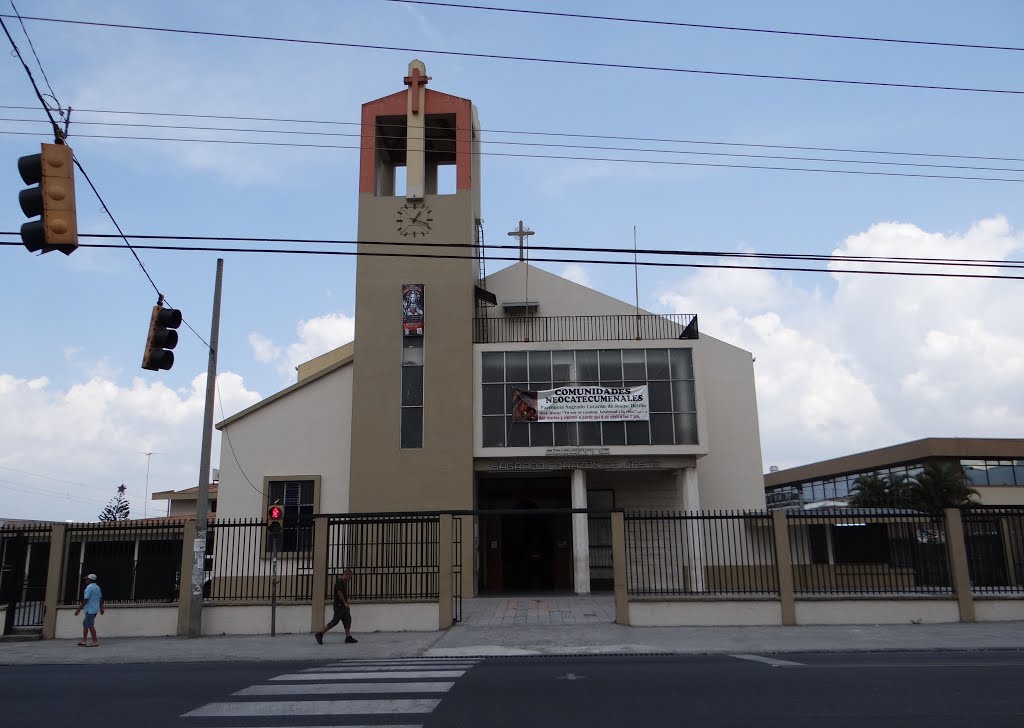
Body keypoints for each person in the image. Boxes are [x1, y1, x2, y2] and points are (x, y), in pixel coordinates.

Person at [314, 568, 357, 645]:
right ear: (346, 574)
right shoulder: (339, 582)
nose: (350, 579)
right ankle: (320, 634)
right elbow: (339, 593)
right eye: (350, 577)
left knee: (347, 620)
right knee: (335, 621)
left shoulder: (343, 582)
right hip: (339, 605)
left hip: (343, 606)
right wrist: (345, 603)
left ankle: (348, 637)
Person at [74, 574, 104, 647]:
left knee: (90, 625)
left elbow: (85, 599)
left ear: (89, 580)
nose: (86, 580)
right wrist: (101, 607)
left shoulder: (89, 588)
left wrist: (78, 609)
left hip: (90, 610)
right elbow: (100, 598)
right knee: (85, 624)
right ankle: (84, 641)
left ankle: (95, 641)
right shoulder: (97, 587)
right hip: (94, 609)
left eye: (86, 579)